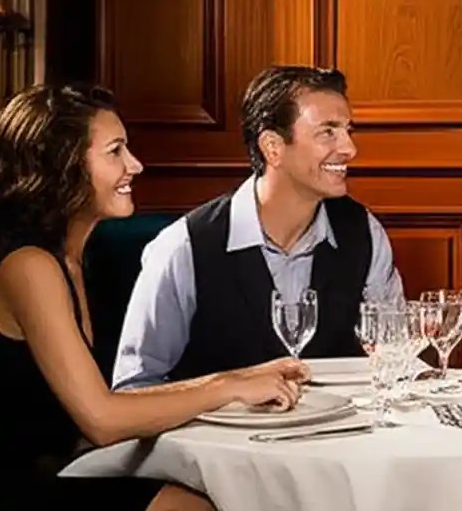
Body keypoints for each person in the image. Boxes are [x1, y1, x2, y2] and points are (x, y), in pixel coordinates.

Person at [0, 83, 308, 511]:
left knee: (221, 510)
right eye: (115, 151)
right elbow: (101, 418)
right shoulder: (30, 267)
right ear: (61, 167)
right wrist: (227, 387)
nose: (135, 165)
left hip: (57, 475)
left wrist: (241, 378)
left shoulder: (79, 260)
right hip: (10, 497)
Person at [112, 66, 404, 389]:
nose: (350, 149)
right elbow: (134, 387)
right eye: (328, 132)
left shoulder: (363, 232)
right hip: (213, 440)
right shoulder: (185, 247)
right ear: (272, 147)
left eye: (349, 130)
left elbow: (394, 358)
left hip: (338, 437)